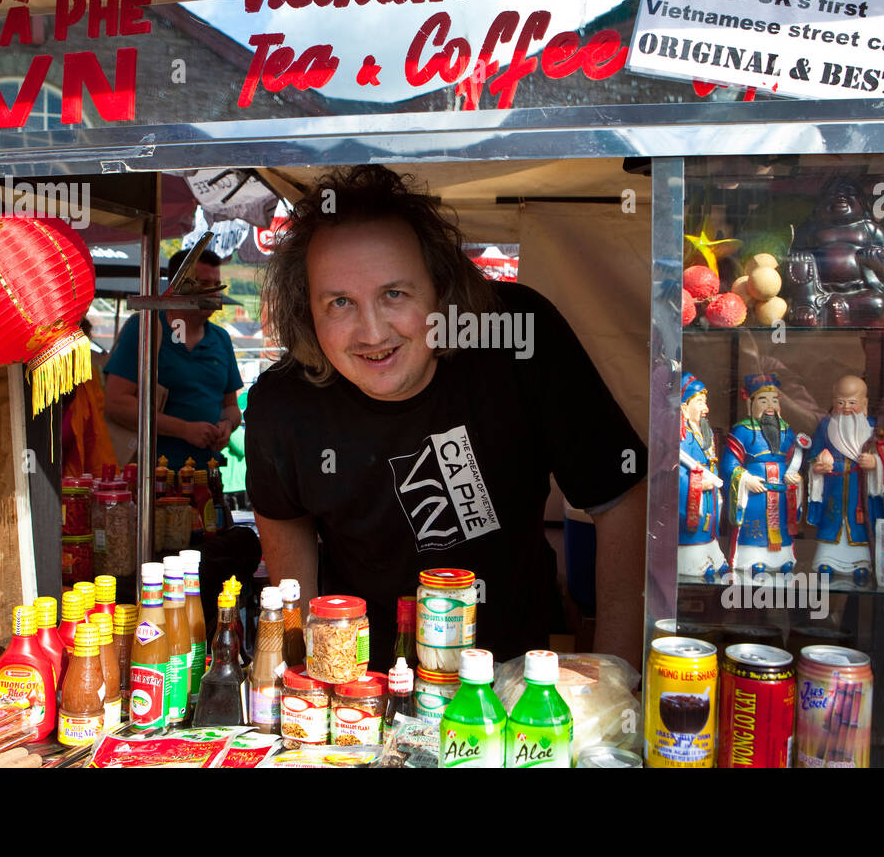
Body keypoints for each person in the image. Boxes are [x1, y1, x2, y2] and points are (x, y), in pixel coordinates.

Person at [244, 165, 647, 668]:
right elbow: (292, 585)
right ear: (307, 312)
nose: (372, 333)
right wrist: (304, 686)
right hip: (364, 685)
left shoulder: (518, 334)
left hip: (515, 682)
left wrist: (612, 674)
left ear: (442, 289)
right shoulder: (282, 403)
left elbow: (620, 495)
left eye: (394, 294)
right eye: (340, 302)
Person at [104, 248, 244, 471]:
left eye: (215, 283)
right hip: (150, 479)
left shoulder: (221, 339)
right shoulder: (146, 329)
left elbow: (231, 407)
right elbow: (116, 403)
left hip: (207, 478)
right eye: (202, 283)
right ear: (176, 286)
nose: (213, 292)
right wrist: (184, 429)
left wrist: (228, 424)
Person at [804, 375, 884, 586]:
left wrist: (875, 463)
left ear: (864, 403)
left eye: (852, 402)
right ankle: (826, 558)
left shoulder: (875, 428)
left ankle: (862, 561)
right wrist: (817, 466)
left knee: (861, 526)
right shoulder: (826, 426)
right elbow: (813, 454)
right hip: (833, 490)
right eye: (841, 402)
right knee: (832, 523)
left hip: (860, 489)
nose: (846, 408)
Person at [720, 373, 806, 577]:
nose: (770, 405)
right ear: (750, 403)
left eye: (774, 400)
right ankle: (753, 558)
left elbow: (794, 459)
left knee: (782, 527)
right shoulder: (742, 431)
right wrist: (745, 478)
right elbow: (729, 464)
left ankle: (783, 558)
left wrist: (797, 477)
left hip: (782, 492)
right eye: (763, 399)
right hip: (756, 493)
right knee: (755, 527)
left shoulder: (786, 430)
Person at [677, 374, 727, 583]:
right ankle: (693, 560)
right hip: (697, 489)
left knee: (709, 524)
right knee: (696, 526)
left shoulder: (703, 432)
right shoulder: (684, 436)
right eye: (699, 402)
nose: (705, 408)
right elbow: (678, 473)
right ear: (684, 408)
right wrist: (696, 484)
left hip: (710, 489)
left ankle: (712, 554)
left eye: (705, 402)